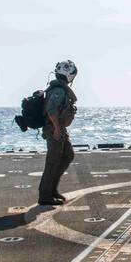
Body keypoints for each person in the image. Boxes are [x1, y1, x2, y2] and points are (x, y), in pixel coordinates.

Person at [38, 59, 78, 206]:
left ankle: (52, 189)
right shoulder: (59, 90)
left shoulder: (60, 89)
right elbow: (51, 110)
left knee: (68, 155)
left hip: (59, 128)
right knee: (52, 162)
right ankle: (45, 195)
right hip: (54, 128)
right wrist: (57, 129)